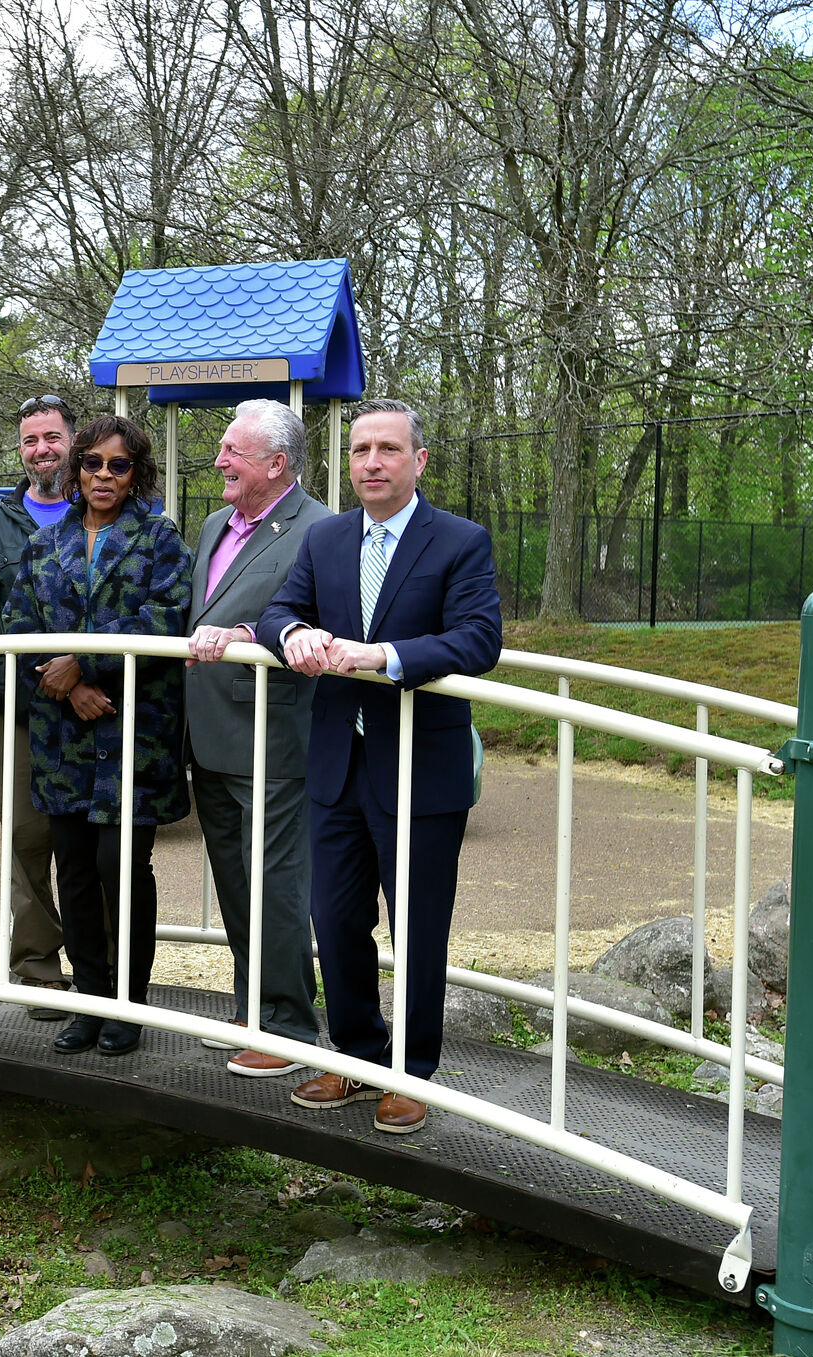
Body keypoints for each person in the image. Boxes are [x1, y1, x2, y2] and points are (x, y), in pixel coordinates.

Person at [255, 398, 502, 1133]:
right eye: (360, 449)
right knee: (334, 919)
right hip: (338, 761)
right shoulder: (326, 538)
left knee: (418, 927)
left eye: (388, 449)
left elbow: (478, 638)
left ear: (418, 461)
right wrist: (293, 635)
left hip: (421, 767)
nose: (371, 462)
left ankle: (412, 1072)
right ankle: (358, 1055)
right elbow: (277, 613)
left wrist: (383, 657)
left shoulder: (459, 541)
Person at [2, 413, 193, 1057]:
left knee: (123, 869)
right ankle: (88, 1000)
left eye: (118, 465)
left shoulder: (160, 538)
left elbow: (166, 617)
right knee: (76, 871)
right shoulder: (42, 545)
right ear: (75, 469)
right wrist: (68, 685)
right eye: (92, 463)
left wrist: (86, 664)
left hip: (134, 733)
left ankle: (128, 1005)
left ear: (137, 474)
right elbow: (17, 627)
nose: (103, 476)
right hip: (63, 737)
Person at [182, 400, 332, 1077]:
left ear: (276, 463)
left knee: (276, 886)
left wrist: (246, 635)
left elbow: (314, 620)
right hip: (210, 734)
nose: (219, 460)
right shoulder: (215, 524)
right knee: (237, 885)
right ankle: (252, 1010)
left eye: (232, 452)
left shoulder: (320, 530)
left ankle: (288, 1026)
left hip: (273, 736)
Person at [0, 394, 76, 1019]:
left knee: (95, 839)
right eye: (31, 440)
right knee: (27, 839)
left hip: (99, 712)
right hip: (23, 714)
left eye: (52, 437)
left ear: (73, 442)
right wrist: (23, 689)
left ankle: (102, 968)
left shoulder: (104, 509)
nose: (41, 450)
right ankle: (37, 967)